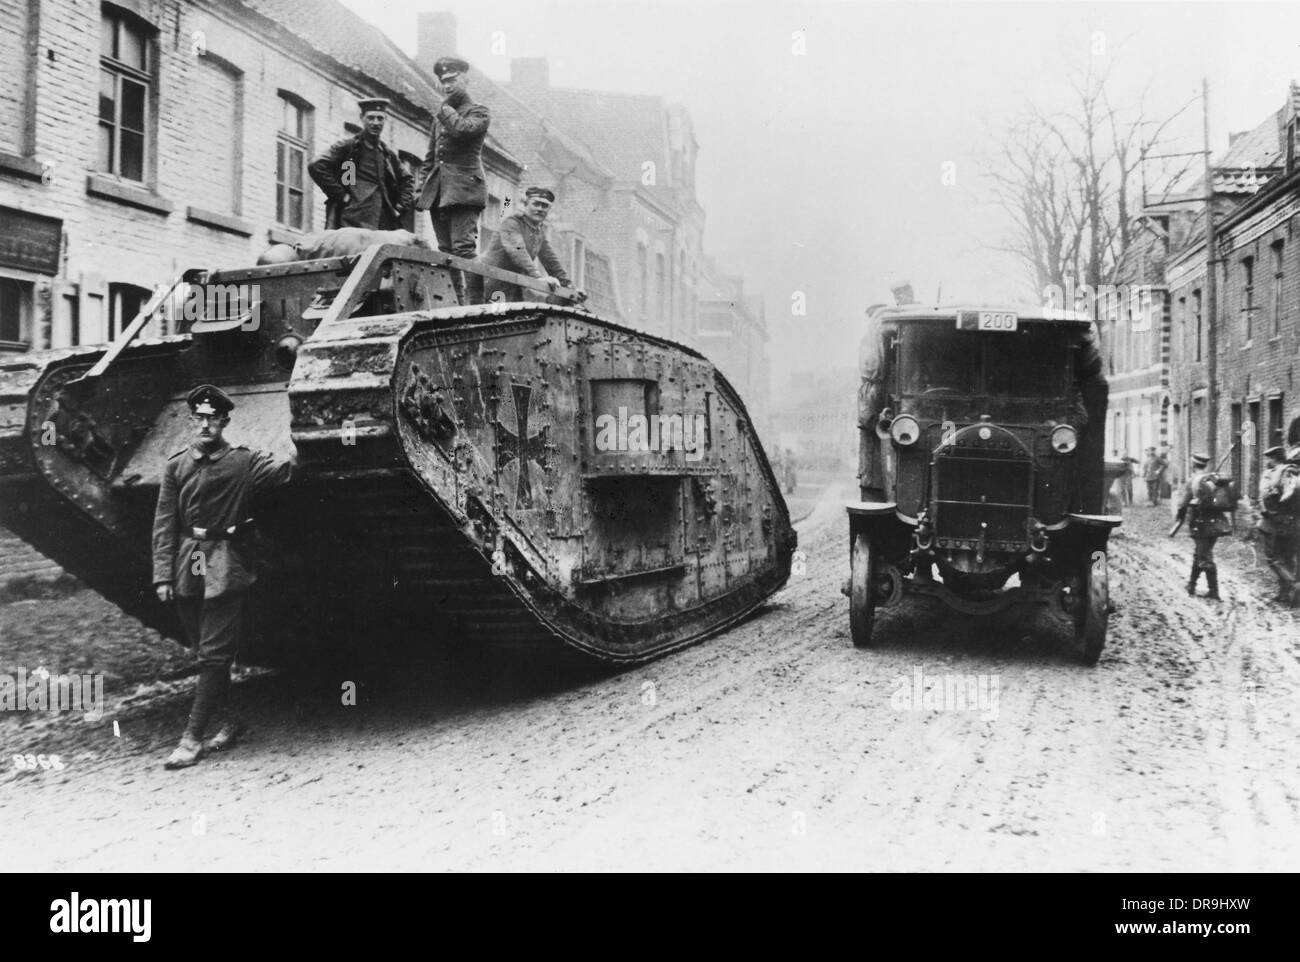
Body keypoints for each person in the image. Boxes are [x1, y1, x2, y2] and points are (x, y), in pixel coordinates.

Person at [153, 385, 296, 768]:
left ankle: (191, 738)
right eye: (199, 418)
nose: (205, 424)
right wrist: (162, 576)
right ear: (191, 420)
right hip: (188, 565)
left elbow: (284, 471)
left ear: (224, 421)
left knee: (214, 655)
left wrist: (307, 428)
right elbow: (164, 523)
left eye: (212, 418)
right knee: (205, 655)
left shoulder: (243, 462)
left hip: (226, 564)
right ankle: (231, 720)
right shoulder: (177, 465)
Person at [415, 57, 490, 305]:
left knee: (464, 250)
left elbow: (463, 131)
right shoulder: (441, 117)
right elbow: (430, 157)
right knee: (445, 252)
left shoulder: (479, 111)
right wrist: (420, 189)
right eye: (442, 82)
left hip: (465, 190)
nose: (446, 86)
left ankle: (476, 307)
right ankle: (454, 306)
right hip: (440, 192)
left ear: (465, 79)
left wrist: (444, 108)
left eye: (452, 80)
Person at [308, 98, 414, 231]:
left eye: (380, 118)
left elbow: (407, 179)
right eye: (371, 118)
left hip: (382, 220)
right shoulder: (350, 147)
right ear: (362, 118)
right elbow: (316, 165)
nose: (376, 123)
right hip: (353, 217)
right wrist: (341, 196)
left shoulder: (387, 153)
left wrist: (400, 207)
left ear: (385, 120)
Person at [479, 187, 586, 304]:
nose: (540, 209)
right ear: (526, 204)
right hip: (488, 283)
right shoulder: (511, 223)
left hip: (513, 286)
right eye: (536, 204)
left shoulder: (539, 232)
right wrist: (538, 278)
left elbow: (551, 262)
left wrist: (571, 287)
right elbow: (518, 251)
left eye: (544, 206)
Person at [1174, 451, 1229, 601]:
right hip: (1216, 523)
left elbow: (1182, 504)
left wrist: (1179, 517)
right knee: (1200, 553)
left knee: (1204, 557)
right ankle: (1191, 585)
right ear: (1205, 464)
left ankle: (1214, 591)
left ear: (1193, 465)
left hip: (1200, 524)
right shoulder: (1212, 479)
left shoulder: (1193, 480)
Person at [1259, 445, 1300, 605]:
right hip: (1295, 523)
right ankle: (1284, 594)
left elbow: (1267, 499)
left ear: (1273, 459)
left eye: (1269, 458)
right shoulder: (1294, 473)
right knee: (1288, 558)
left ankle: (1294, 585)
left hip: (1277, 524)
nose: (1268, 461)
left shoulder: (1274, 474)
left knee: (1273, 558)